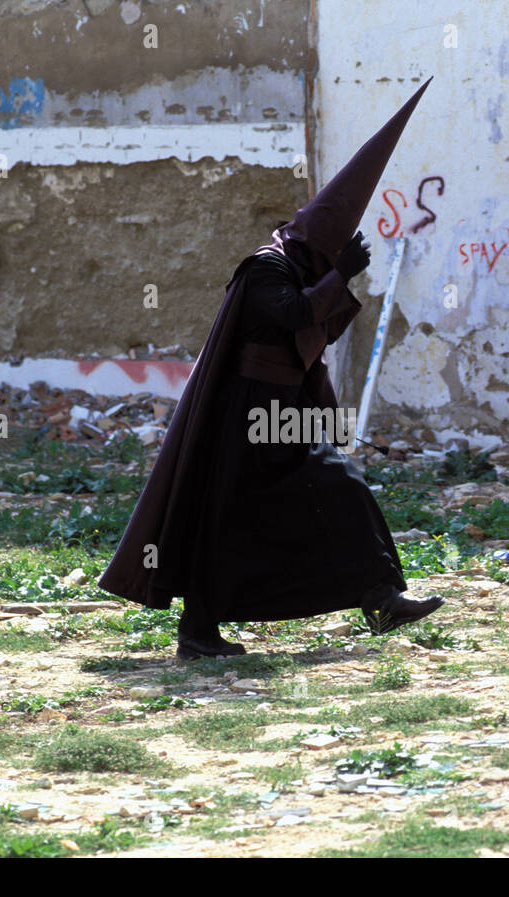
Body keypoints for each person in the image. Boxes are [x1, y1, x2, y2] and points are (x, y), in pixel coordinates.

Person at [99, 79, 443, 659]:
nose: (333, 263)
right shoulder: (266, 268)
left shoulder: (305, 269)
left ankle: (380, 598)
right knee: (227, 521)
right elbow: (291, 316)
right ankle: (199, 633)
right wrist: (342, 277)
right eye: (331, 253)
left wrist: (335, 288)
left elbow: (315, 338)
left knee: (341, 488)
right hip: (245, 418)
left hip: (286, 414)